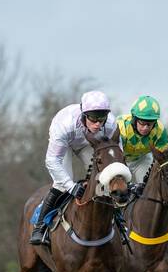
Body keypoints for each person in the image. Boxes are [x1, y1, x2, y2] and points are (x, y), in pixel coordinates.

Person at [30, 90, 117, 246]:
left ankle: (117, 219)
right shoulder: (65, 125)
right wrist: (71, 187)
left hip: (89, 144)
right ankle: (40, 227)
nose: (98, 124)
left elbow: (112, 152)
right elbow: (52, 161)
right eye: (93, 118)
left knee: (102, 177)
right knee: (62, 184)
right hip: (65, 143)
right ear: (84, 115)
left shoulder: (110, 124)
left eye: (101, 118)